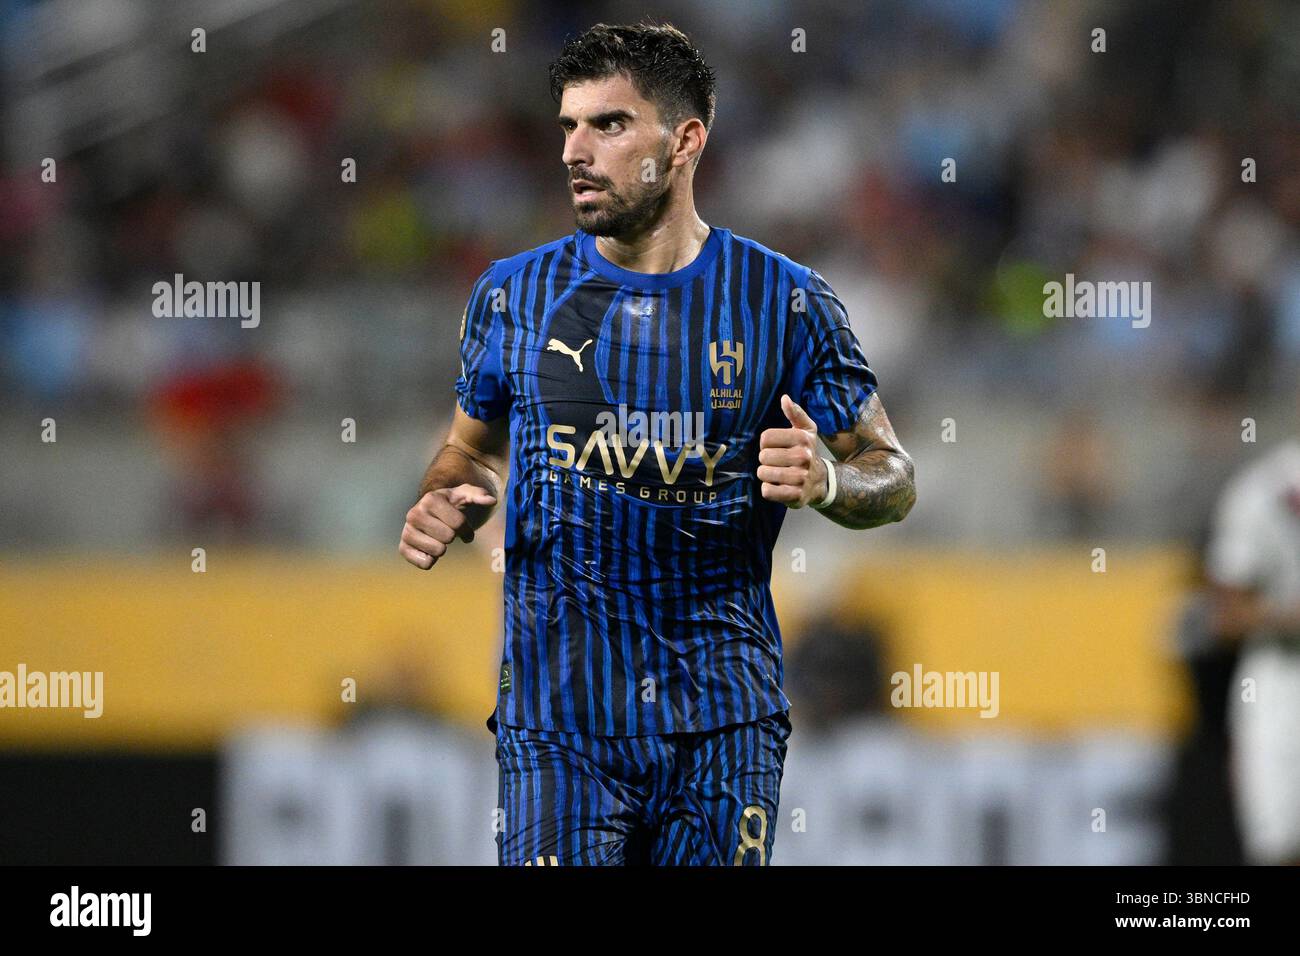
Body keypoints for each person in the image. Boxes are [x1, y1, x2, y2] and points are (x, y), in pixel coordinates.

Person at [398, 21, 915, 866]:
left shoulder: (785, 302)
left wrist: (827, 479)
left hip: (723, 724)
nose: (575, 149)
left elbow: (891, 477)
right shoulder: (511, 296)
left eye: (608, 125)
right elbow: (468, 451)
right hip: (557, 722)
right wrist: (447, 498)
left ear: (684, 142)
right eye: (567, 125)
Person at [1205, 435, 1300, 865]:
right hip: (1280, 677)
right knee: (1277, 843)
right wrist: (1286, 618)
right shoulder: (1263, 490)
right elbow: (1224, 616)